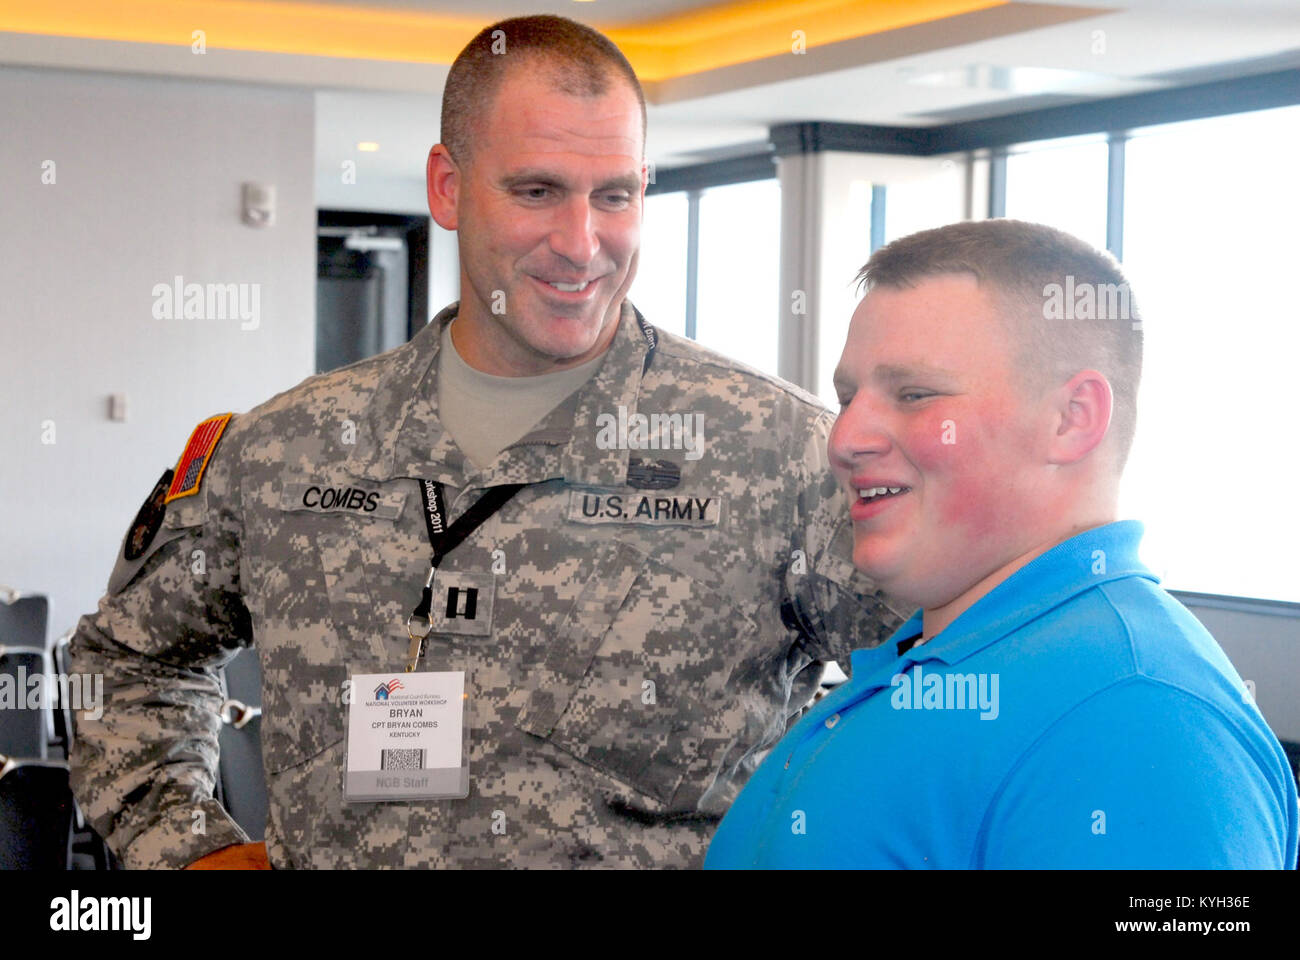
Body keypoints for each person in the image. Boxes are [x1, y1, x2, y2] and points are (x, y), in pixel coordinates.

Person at [67, 14, 902, 870]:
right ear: (447, 187)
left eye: (614, 195)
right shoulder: (288, 448)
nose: (583, 244)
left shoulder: (777, 453)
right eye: (537, 191)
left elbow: (958, 693)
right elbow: (124, 662)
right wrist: (187, 850)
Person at [704, 219, 1299, 869]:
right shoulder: (949, 653)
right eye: (848, 397)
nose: (844, 440)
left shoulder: (1136, 718)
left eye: (915, 395)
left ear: (1070, 421)